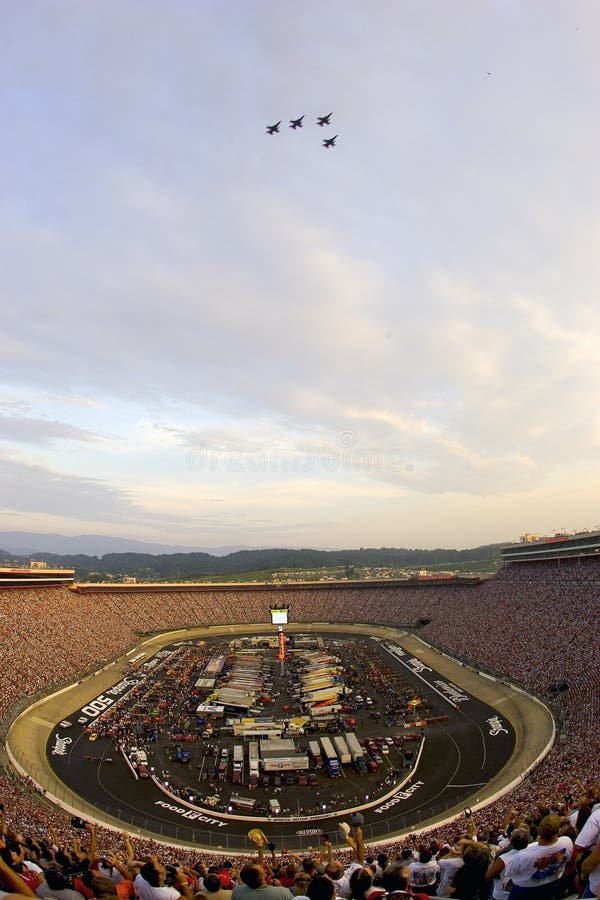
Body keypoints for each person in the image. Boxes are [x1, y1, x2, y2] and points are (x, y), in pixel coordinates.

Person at [502, 815, 573, 900]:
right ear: (558, 830)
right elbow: (568, 859)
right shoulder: (567, 841)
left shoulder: (524, 854)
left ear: (539, 830)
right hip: (553, 883)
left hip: (526, 891)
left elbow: (509, 873)